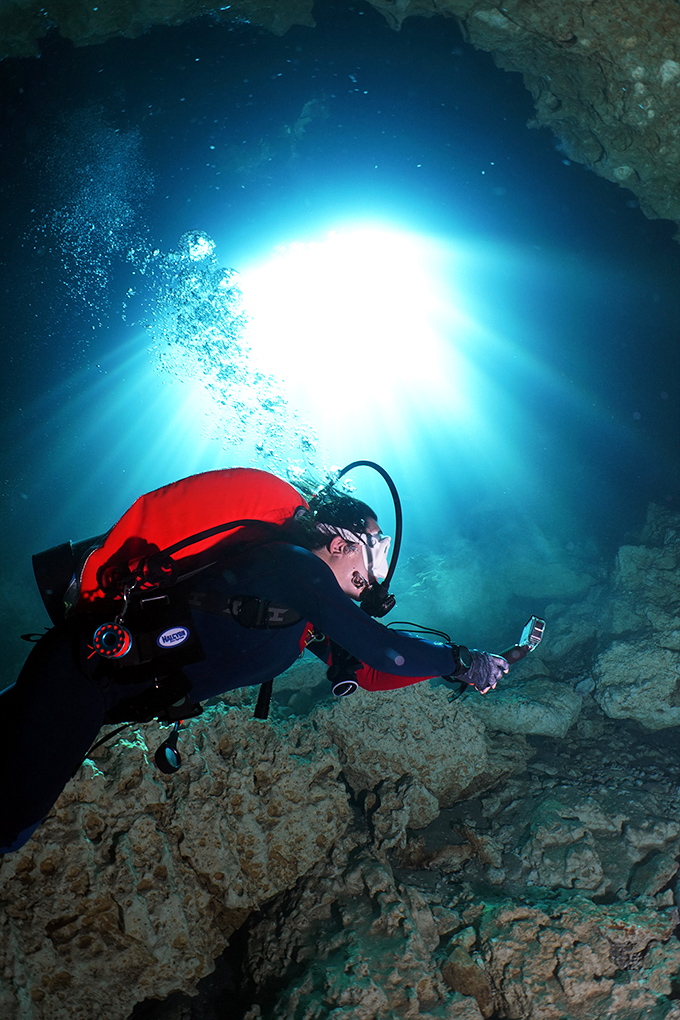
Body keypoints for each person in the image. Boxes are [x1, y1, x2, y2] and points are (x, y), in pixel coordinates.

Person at [0, 474, 508, 853]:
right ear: (340, 543)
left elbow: (370, 672)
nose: (378, 566)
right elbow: (382, 648)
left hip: (94, 690)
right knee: (9, 822)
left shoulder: (296, 613)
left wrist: (466, 668)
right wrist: (462, 662)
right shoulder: (292, 567)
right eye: (376, 547)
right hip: (82, 673)